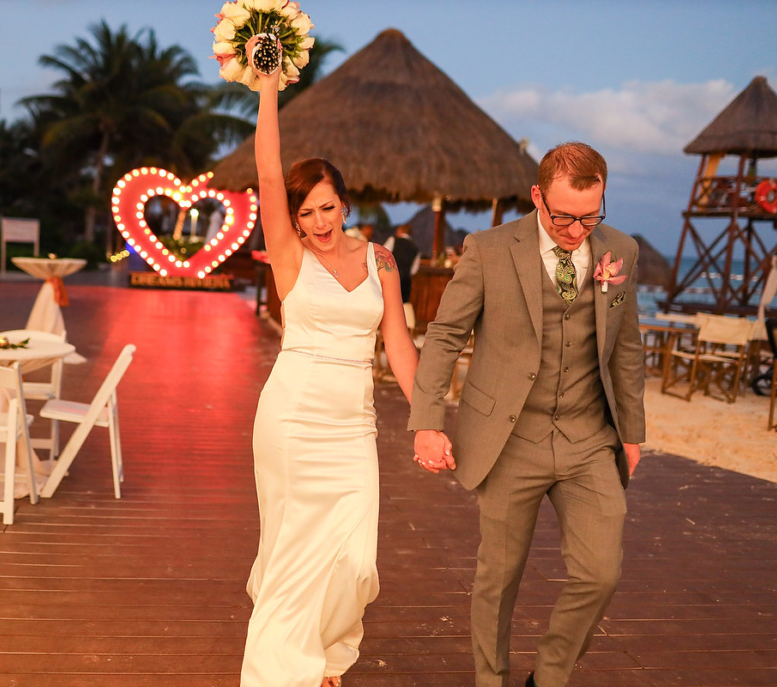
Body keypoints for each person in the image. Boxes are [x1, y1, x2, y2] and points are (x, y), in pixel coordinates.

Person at [409, 142, 645, 687]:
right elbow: (446, 334)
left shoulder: (621, 251)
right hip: (509, 437)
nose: (575, 230)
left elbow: (626, 348)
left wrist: (632, 434)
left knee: (600, 573)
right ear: (538, 196)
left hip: (590, 437)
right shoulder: (489, 249)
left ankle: (551, 675)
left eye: (590, 216)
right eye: (563, 217)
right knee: (500, 577)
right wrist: (426, 420)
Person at [240, 38, 418, 687]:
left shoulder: (381, 261)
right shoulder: (291, 257)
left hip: (352, 426)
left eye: (327, 206)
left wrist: (428, 415)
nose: (317, 220)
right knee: (294, 551)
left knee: (354, 560)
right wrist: (269, 90)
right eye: (305, 209)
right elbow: (265, 173)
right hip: (291, 419)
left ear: (346, 202)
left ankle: (322, 647)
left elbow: (397, 343)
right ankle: (293, 669)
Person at [382, 224, 421, 302]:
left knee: (385, 303)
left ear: (399, 231)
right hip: (405, 282)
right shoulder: (416, 248)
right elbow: (414, 270)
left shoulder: (393, 240)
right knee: (401, 306)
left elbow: (382, 255)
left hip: (390, 277)